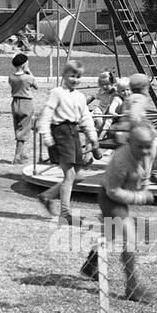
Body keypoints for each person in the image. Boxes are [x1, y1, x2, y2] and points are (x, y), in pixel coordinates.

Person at [79, 123, 157, 302]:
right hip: (110, 199)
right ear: (130, 143)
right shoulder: (120, 160)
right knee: (131, 239)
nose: (145, 151)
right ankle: (132, 287)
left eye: (148, 146)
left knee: (110, 234)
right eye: (140, 147)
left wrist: (144, 186)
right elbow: (113, 191)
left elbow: (146, 170)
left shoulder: (151, 149)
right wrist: (140, 197)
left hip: (125, 195)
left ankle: (90, 266)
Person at [36, 60, 101, 225]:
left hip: (73, 133)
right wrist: (46, 136)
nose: (75, 79)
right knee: (70, 174)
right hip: (60, 133)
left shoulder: (79, 97)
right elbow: (46, 114)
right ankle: (65, 214)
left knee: (77, 175)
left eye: (78, 76)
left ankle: (47, 196)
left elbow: (86, 117)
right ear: (64, 75)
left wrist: (93, 137)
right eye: (71, 75)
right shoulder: (57, 92)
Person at [114, 73, 157, 186]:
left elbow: (125, 114)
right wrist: (142, 128)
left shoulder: (128, 98)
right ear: (144, 88)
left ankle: (148, 174)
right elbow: (134, 115)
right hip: (137, 133)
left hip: (124, 132)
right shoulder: (141, 99)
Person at [7, 53, 37, 164]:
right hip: (26, 103)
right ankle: (17, 156)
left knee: (18, 128)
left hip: (15, 103)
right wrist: (29, 71)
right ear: (24, 64)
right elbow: (36, 86)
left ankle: (22, 154)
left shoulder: (11, 77)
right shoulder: (28, 77)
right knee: (24, 130)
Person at [87, 70, 119, 140]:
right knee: (93, 116)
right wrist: (83, 104)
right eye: (102, 84)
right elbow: (92, 97)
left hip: (111, 113)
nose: (104, 86)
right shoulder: (101, 91)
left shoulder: (116, 92)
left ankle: (101, 135)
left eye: (107, 84)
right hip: (101, 110)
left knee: (107, 122)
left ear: (113, 83)